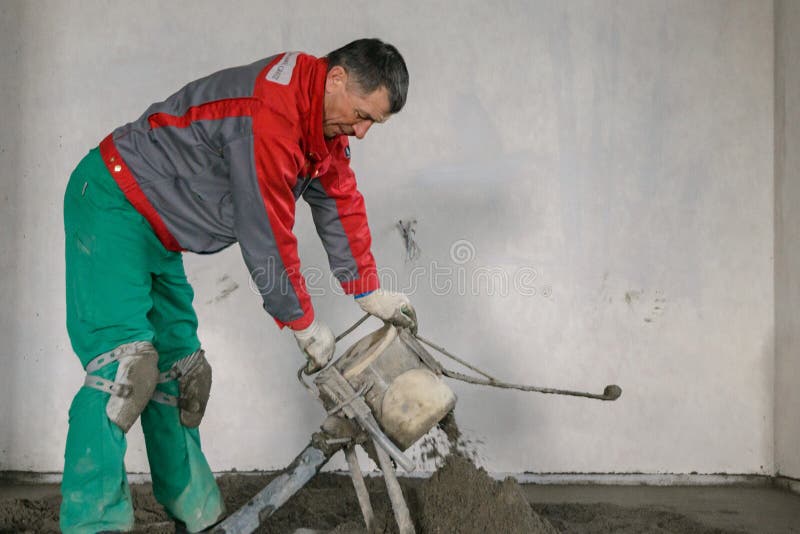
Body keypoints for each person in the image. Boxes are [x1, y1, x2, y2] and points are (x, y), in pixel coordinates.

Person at [60, 38, 416, 533]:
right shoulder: (271, 114)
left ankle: (198, 514)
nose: (361, 132)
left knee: (182, 374)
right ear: (336, 79)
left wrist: (366, 290)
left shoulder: (320, 120)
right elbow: (265, 230)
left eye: (372, 123)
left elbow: (338, 196)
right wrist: (302, 323)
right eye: (361, 116)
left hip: (158, 231)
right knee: (123, 371)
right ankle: (91, 524)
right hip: (114, 201)